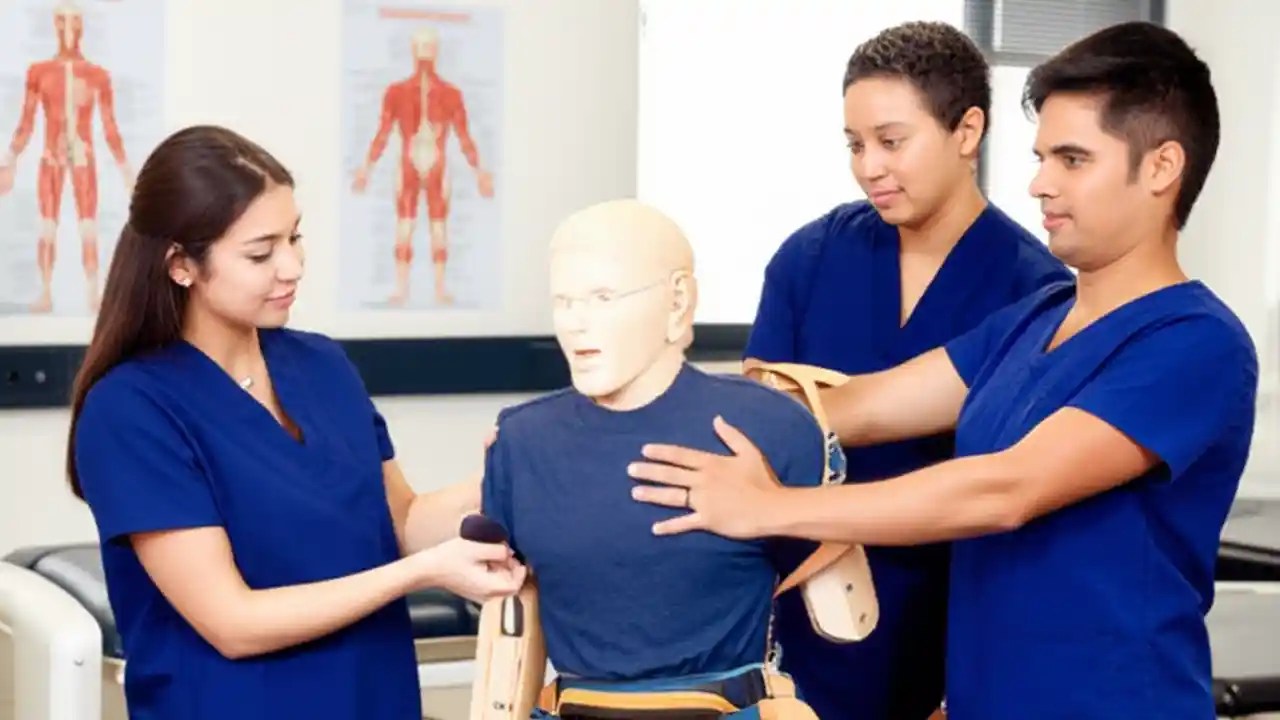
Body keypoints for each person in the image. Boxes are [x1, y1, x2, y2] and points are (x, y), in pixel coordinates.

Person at [630, 21, 1257, 719]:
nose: (1040, 183)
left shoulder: (1194, 343)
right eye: (1042, 156)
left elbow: (1003, 490)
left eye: (1073, 160)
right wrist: (596, 424)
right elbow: (854, 409)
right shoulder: (1032, 321)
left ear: (1163, 168)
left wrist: (769, 507)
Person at [66, 124, 524, 720]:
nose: (292, 266)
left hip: (373, 698)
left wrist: (507, 476)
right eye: (261, 252)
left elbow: (401, 520)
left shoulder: (320, 365)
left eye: (295, 238)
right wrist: (420, 574)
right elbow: (232, 622)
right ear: (181, 265)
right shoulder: (130, 411)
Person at [741, 20, 1072, 720]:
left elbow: (1029, 501)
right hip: (803, 633)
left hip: (954, 642)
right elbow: (758, 437)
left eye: (892, 142)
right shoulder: (809, 259)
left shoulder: (1034, 291)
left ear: (967, 130)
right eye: (855, 145)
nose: (869, 167)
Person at [478, 199, 833, 718]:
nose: (576, 323)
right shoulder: (521, 440)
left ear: (677, 301)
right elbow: (507, 606)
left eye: (602, 297)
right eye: (564, 301)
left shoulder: (771, 427)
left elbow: (837, 600)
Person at [0, 0, 134, 313]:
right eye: (62, 22)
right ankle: (46, 291)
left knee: (88, 226)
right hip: (51, 157)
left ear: (83, 27)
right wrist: (9, 162)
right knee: (47, 225)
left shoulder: (96, 75)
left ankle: (92, 292)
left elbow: (110, 127)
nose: (69, 29)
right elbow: (26, 122)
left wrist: (128, 172)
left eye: (75, 22)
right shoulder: (40, 72)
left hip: (83, 158)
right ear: (54, 26)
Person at [352, 24, 495, 307]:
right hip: (408, 164)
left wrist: (480, 172)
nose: (425, 53)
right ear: (413, 51)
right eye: (422, 47)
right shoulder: (397, 92)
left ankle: (440, 290)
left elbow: (464, 136)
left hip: (437, 165)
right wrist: (366, 168)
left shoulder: (450, 93)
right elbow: (383, 132)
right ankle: (402, 290)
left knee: (438, 226)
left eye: (430, 47)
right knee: (405, 225)